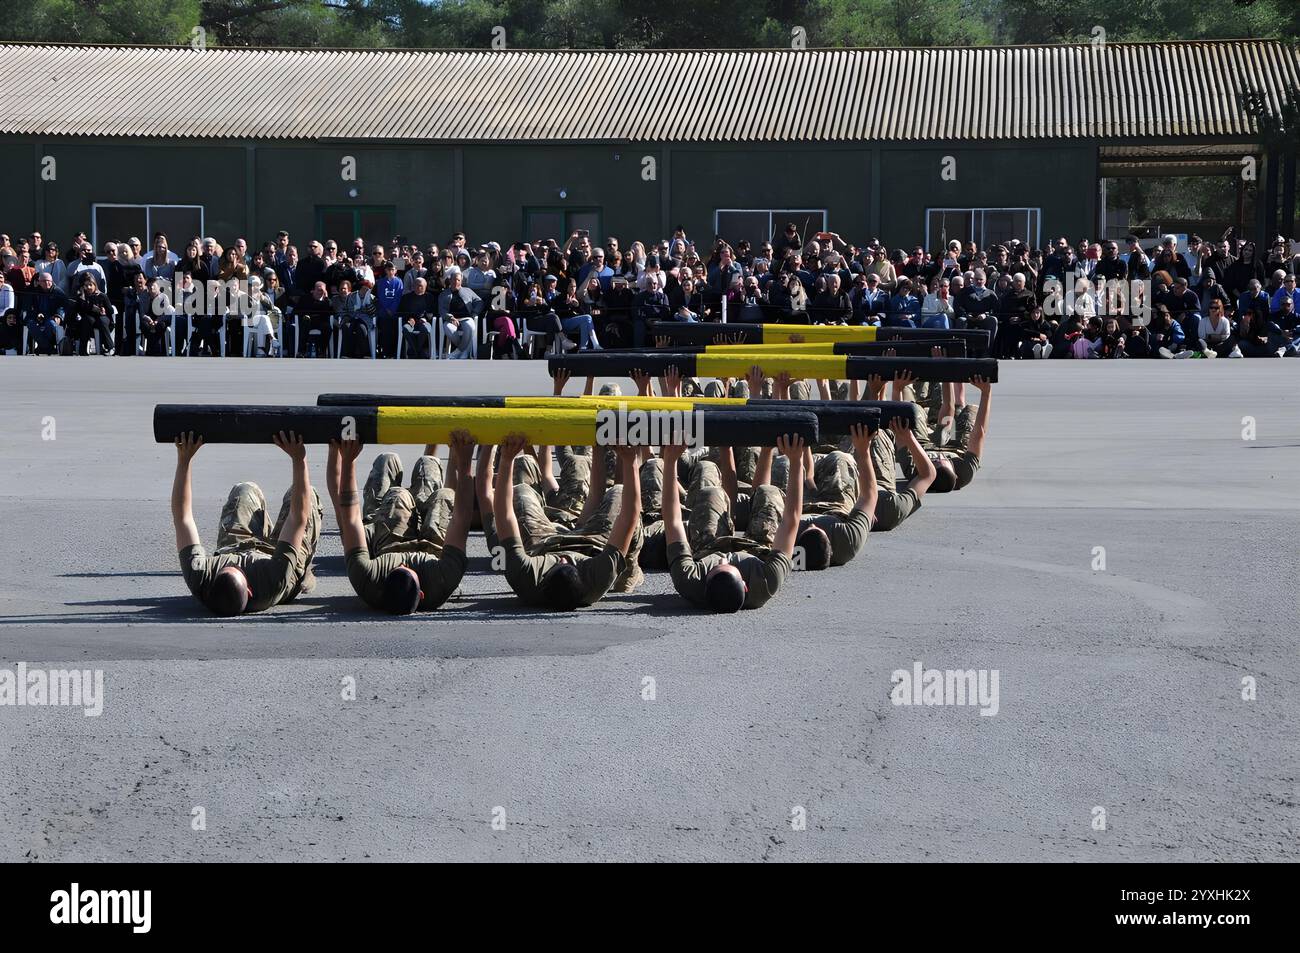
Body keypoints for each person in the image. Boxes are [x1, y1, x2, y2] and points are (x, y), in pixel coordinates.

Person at [171, 431, 322, 616]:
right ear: (249, 590)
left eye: (229, 567)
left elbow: (182, 517)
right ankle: (303, 571)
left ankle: (256, 536)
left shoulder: (201, 576)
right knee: (307, 495)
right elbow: (297, 518)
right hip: (278, 560)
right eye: (239, 570)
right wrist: (299, 459)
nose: (238, 565)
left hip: (235, 548)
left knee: (244, 490)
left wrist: (184, 460)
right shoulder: (273, 580)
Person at [327, 434, 474, 614]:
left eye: (396, 569)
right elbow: (462, 517)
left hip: (390, 544)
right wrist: (464, 463)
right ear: (421, 594)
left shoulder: (367, 578)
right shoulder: (442, 579)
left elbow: (348, 515)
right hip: (432, 548)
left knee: (392, 475)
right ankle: (430, 461)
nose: (404, 565)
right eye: (407, 570)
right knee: (440, 489)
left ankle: (400, 498)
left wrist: (346, 459)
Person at [491, 435, 641, 610]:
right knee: (619, 493)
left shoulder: (526, 577)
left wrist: (507, 459)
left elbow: (504, 515)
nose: (563, 559)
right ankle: (628, 569)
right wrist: (630, 461)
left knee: (520, 493)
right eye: (567, 564)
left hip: (544, 547)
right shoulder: (598, 578)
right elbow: (628, 516)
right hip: (592, 548)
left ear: (543, 581)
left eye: (558, 565)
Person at [661, 434, 806, 611]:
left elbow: (672, 521)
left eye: (716, 567)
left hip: (709, 548)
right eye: (729, 566)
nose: (723, 560)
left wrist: (669, 462)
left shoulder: (689, 581)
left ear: (705, 585)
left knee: (711, 494)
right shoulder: (766, 581)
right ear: (745, 585)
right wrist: (797, 460)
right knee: (769, 493)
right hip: (757, 550)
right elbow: (791, 518)